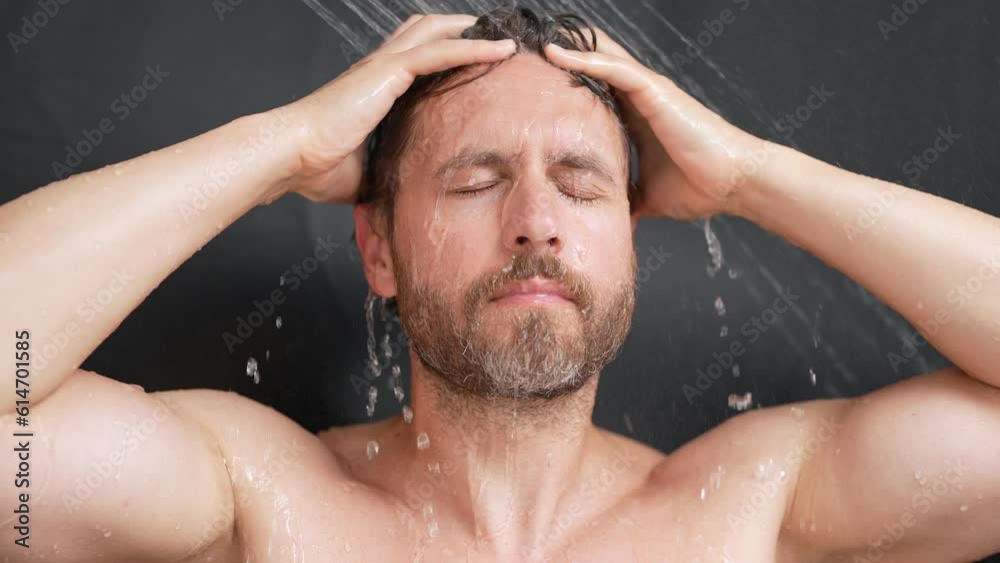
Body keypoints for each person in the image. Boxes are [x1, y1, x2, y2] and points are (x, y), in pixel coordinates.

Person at [2, 6, 998, 562]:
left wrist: (747, 173)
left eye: (582, 183)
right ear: (379, 249)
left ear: (629, 238)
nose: (534, 218)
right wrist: (285, 146)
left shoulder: (754, 511)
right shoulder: (257, 501)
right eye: (475, 180)